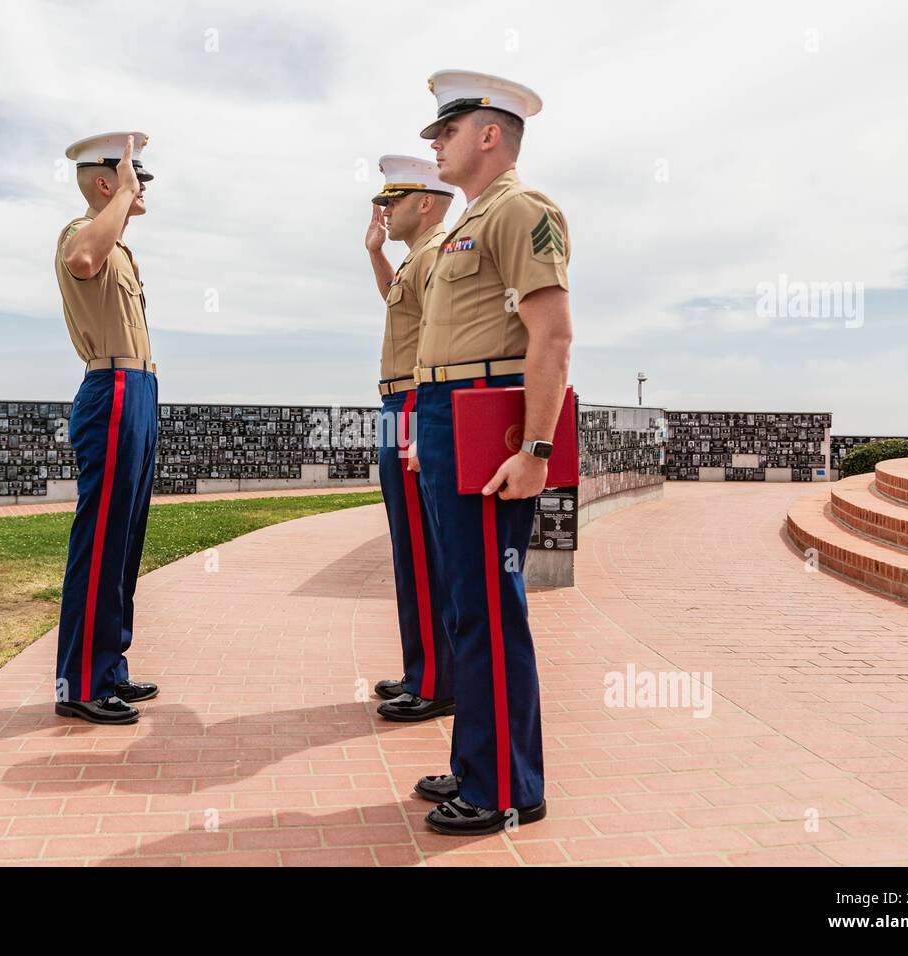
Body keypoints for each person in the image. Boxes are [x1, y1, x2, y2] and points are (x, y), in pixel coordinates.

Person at [410, 71, 573, 834]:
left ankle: (507, 784)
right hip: (446, 416)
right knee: (461, 605)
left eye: (446, 130)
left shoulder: (522, 212)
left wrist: (536, 448)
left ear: (489, 134)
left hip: (488, 423)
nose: (436, 143)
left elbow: (552, 336)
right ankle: (478, 759)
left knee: (487, 609)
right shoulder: (462, 226)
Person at [52, 131, 161, 724]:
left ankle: (109, 668)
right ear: (106, 183)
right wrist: (122, 194)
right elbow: (82, 260)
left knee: (123, 540)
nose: (143, 190)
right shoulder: (82, 232)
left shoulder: (119, 246)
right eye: (135, 179)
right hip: (113, 389)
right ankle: (80, 682)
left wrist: (121, 197)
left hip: (139, 389)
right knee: (99, 543)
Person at [364, 155, 457, 723]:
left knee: (423, 552)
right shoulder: (414, 261)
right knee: (409, 548)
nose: (384, 209)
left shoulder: (437, 256)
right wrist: (375, 252)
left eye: (394, 200)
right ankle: (420, 668)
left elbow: (436, 347)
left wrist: (420, 423)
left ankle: (436, 681)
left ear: (425, 204)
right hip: (397, 404)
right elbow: (397, 306)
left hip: (413, 404)